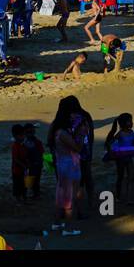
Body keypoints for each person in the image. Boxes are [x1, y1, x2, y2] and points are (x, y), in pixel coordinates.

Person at [48, 96, 85, 234]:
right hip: (70, 166)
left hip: (63, 165)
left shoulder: (56, 129)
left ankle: (57, 224)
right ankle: (69, 228)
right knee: (70, 197)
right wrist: (81, 133)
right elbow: (77, 147)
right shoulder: (62, 132)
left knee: (61, 195)